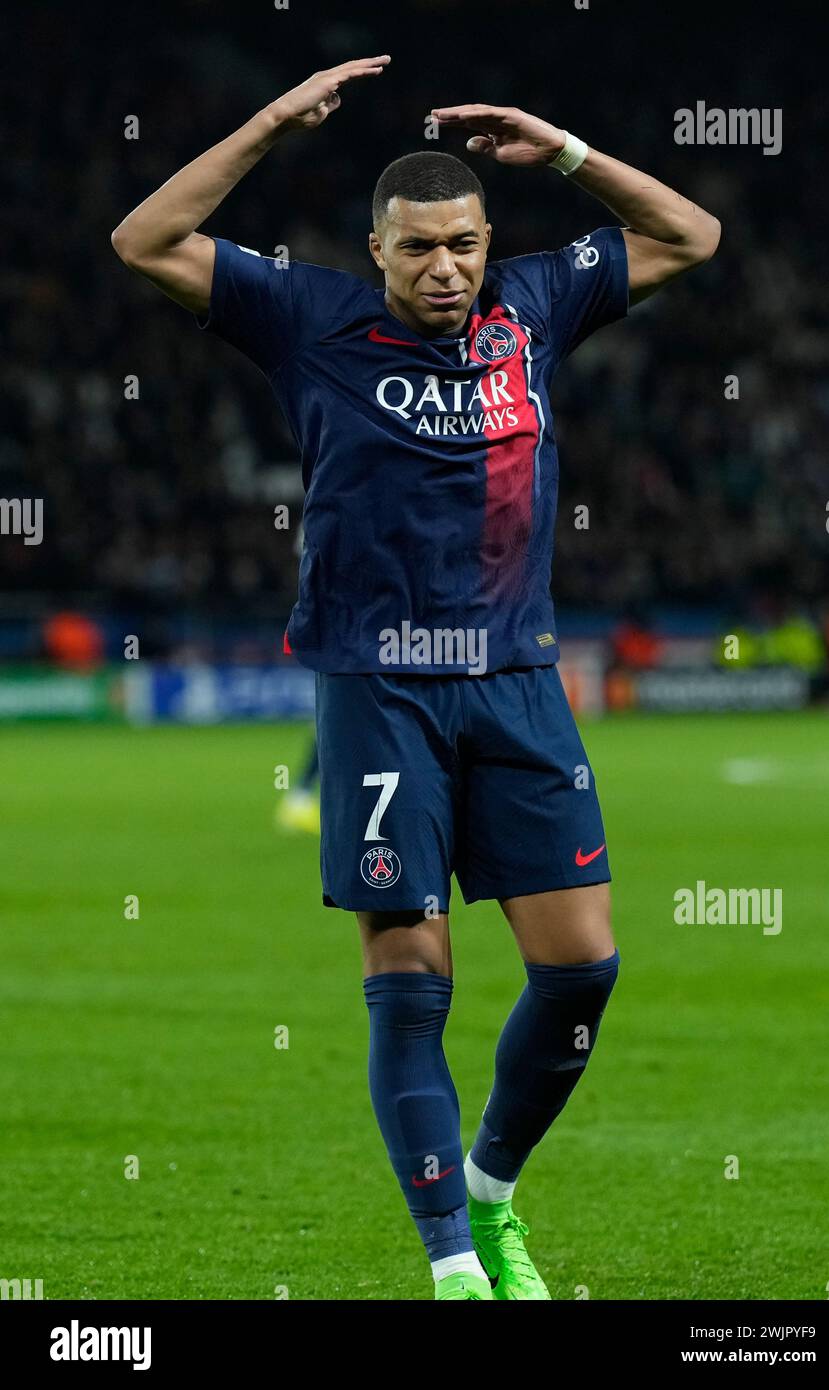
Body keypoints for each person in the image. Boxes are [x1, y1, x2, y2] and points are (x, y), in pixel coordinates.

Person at [111, 55, 720, 1300]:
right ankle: (451, 1265)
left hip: (516, 679)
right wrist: (275, 124)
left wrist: (558, 145)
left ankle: (490, 1194)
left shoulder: (537, 307)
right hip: (378, 691)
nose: (441, 269)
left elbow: (691, 233)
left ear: (487, 239)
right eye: (414, 250)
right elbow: (144, 237)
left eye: (459, 245)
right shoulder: (309, 319)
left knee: (582, 969)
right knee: (410, 981)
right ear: (375, 252)